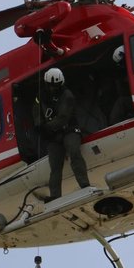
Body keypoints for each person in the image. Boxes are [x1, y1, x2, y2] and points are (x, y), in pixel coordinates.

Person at [39, 68, 91, 201]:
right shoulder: (41, 97)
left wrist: (47, 127)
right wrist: (40, 127)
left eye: (55, 86)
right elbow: (37, 113)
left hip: (69, 130)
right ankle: (55, 196)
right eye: (50, 86)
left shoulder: (67, 95)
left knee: (74, 152)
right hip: (53, 136)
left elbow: (63, 116)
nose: (52, 89)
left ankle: (85, 184)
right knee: (55, 165)